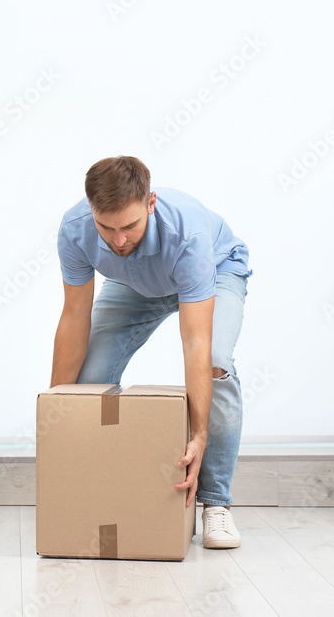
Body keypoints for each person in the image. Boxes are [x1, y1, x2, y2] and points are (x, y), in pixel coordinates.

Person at [51, 155, 251, 549]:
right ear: (91, 211)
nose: (119, 240)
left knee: (216, 364)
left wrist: (198, 434)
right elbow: (74, 317)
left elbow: (195, 340)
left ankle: (216, 505)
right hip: (134, 284)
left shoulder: (187, 234)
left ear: (151, 203)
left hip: (214, 269)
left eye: (129, 226)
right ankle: (98, 492)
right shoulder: (74, 230)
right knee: (87, 388)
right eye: (106, 228)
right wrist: (56, 412)